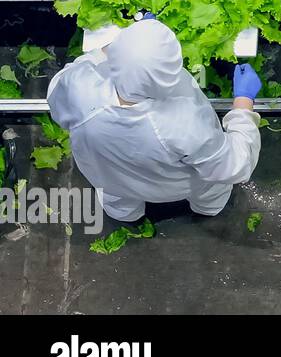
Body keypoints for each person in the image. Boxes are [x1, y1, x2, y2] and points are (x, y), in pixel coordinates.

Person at [46, 18, 263, 222]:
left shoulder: (78, 89)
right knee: (211, 190)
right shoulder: (185, 122)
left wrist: (129, 47)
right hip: (175, 186)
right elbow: (234, 165)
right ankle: (207, 209)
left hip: (110, 180)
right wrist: (243, 104)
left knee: (119, 202)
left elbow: (60, 88)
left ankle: (127, 216)